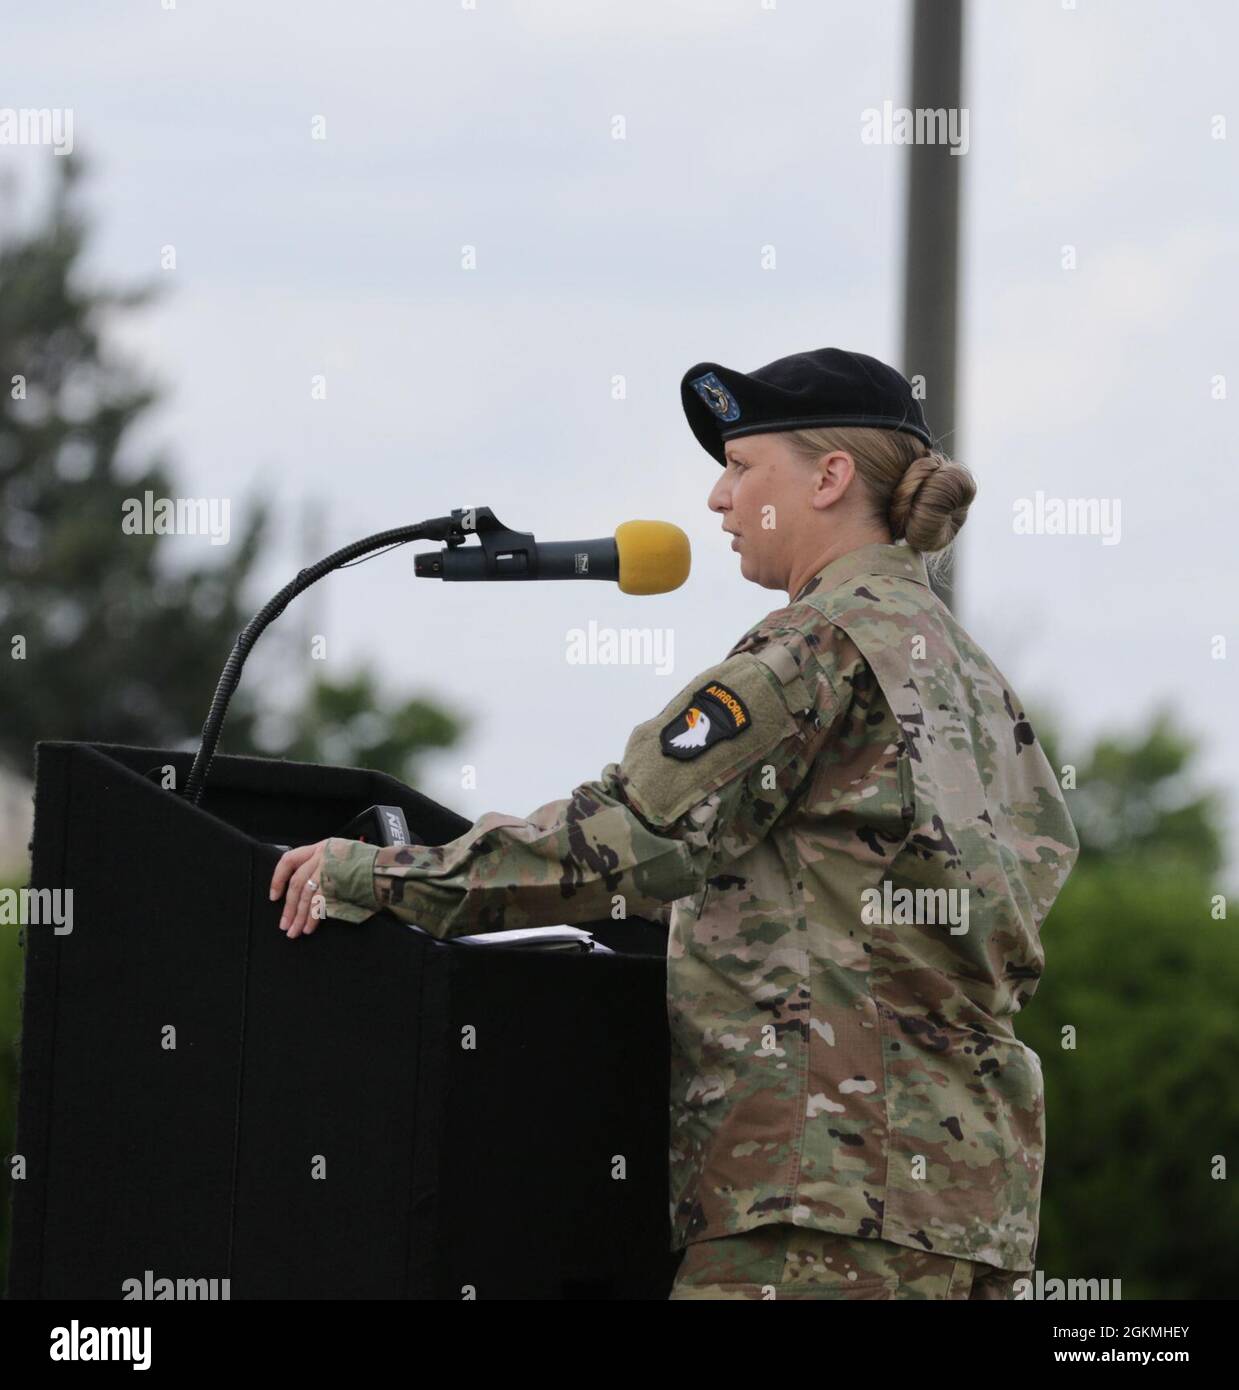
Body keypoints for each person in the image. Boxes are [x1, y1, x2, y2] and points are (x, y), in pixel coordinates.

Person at [269, 346, 1079, 1301]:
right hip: (970, 1211)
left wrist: (378, 876)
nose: (716, 499)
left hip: (815, 1206)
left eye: (742, 468)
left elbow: (627, 838)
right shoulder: (977, 682)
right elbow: (884, 908)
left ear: (828, 478)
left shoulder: (813, 645)